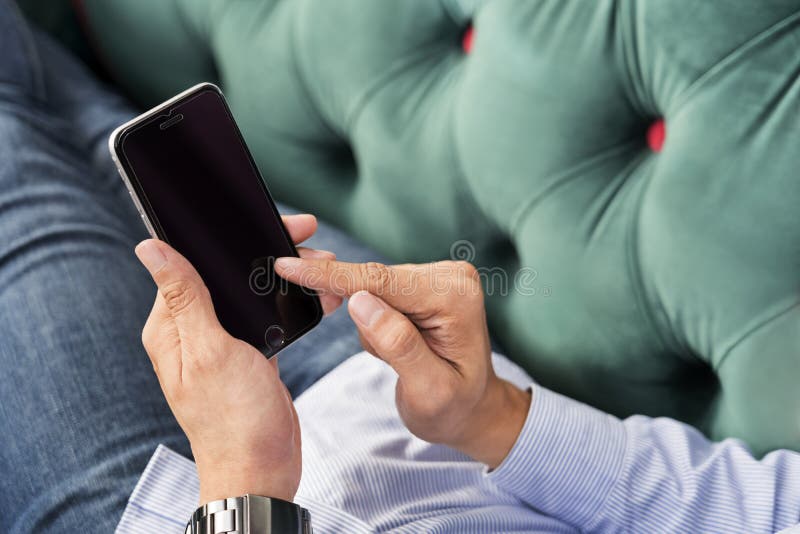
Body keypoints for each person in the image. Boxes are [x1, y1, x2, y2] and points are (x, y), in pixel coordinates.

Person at [1, 2, 799, 532]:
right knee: (110, 135)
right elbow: (726, 505)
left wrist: (244, 477)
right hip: (412, 412)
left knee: (15, 170)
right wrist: (488, 415)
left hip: (173, 505)